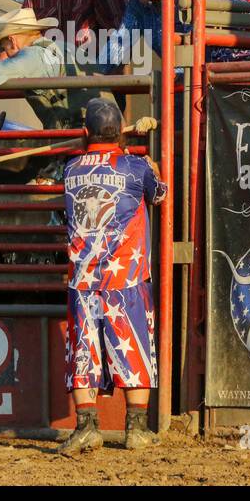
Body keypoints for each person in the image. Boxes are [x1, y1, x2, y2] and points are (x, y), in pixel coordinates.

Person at [57, 99, 166, 455]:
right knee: (133, 347)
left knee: (83, 352)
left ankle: (86, 426)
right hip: (126, 278)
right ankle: (136, 429)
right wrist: (147, 160)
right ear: (120, 130)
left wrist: (116, 142)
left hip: (83, 280)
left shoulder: (70, 169)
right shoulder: (135, 168)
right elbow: (159, 194)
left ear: (85, 132)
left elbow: (90, 157)